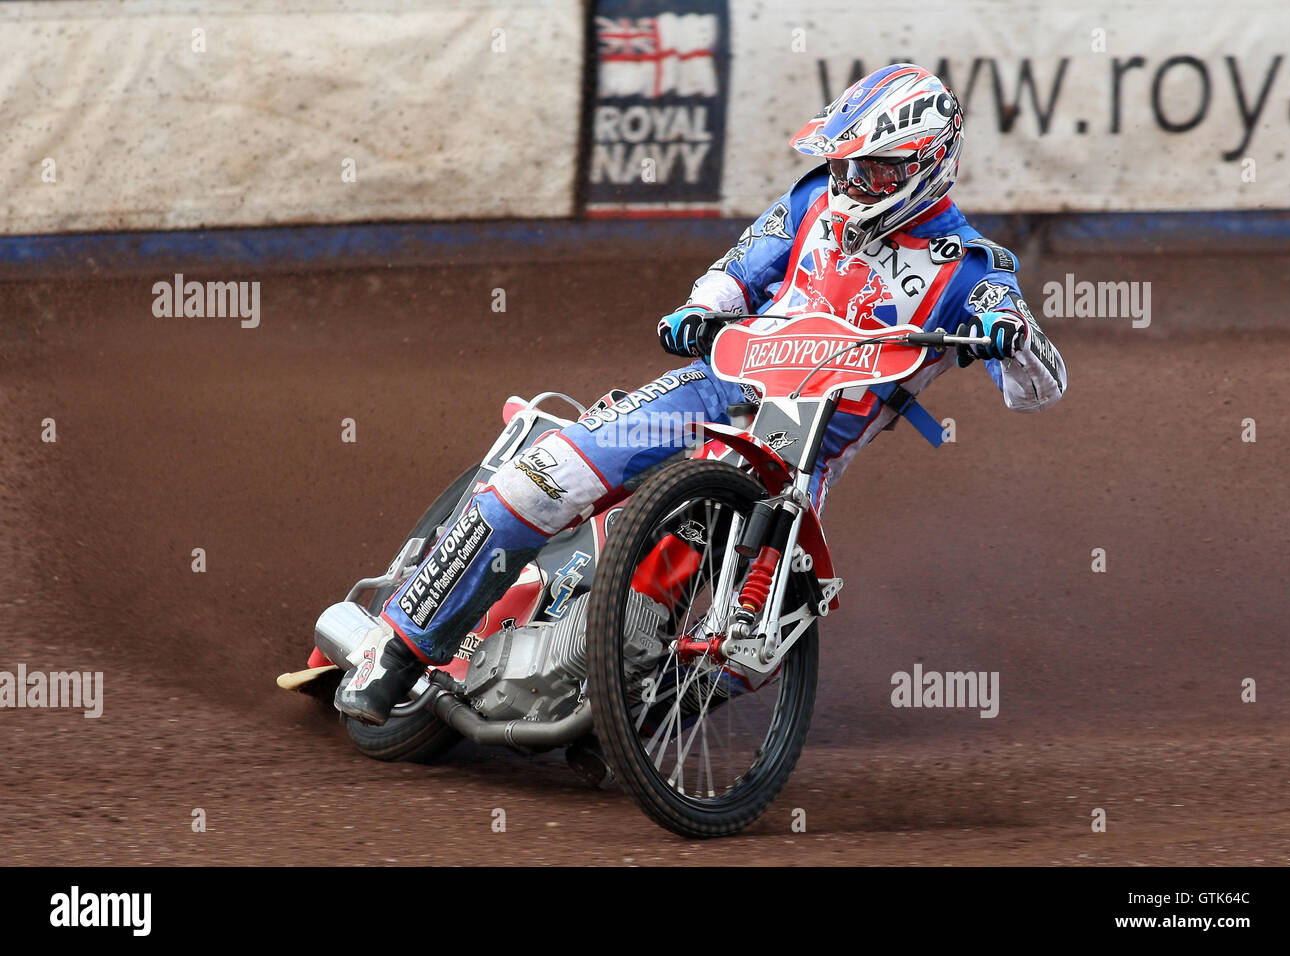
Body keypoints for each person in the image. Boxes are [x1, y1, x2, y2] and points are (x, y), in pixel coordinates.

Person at [336, 63, 1068, 725]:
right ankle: (397, 648)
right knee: (543, 480)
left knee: (765, 630)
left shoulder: (973, 268)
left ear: (925, 167)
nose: (851, 185)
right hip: (713, 388)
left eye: (871, 173)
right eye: (845, 167)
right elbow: (740, 268)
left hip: (804, 451)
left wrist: (1011, 335)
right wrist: (701, 307)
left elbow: (1038, 389)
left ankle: (632, 725)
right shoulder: (816, 198)